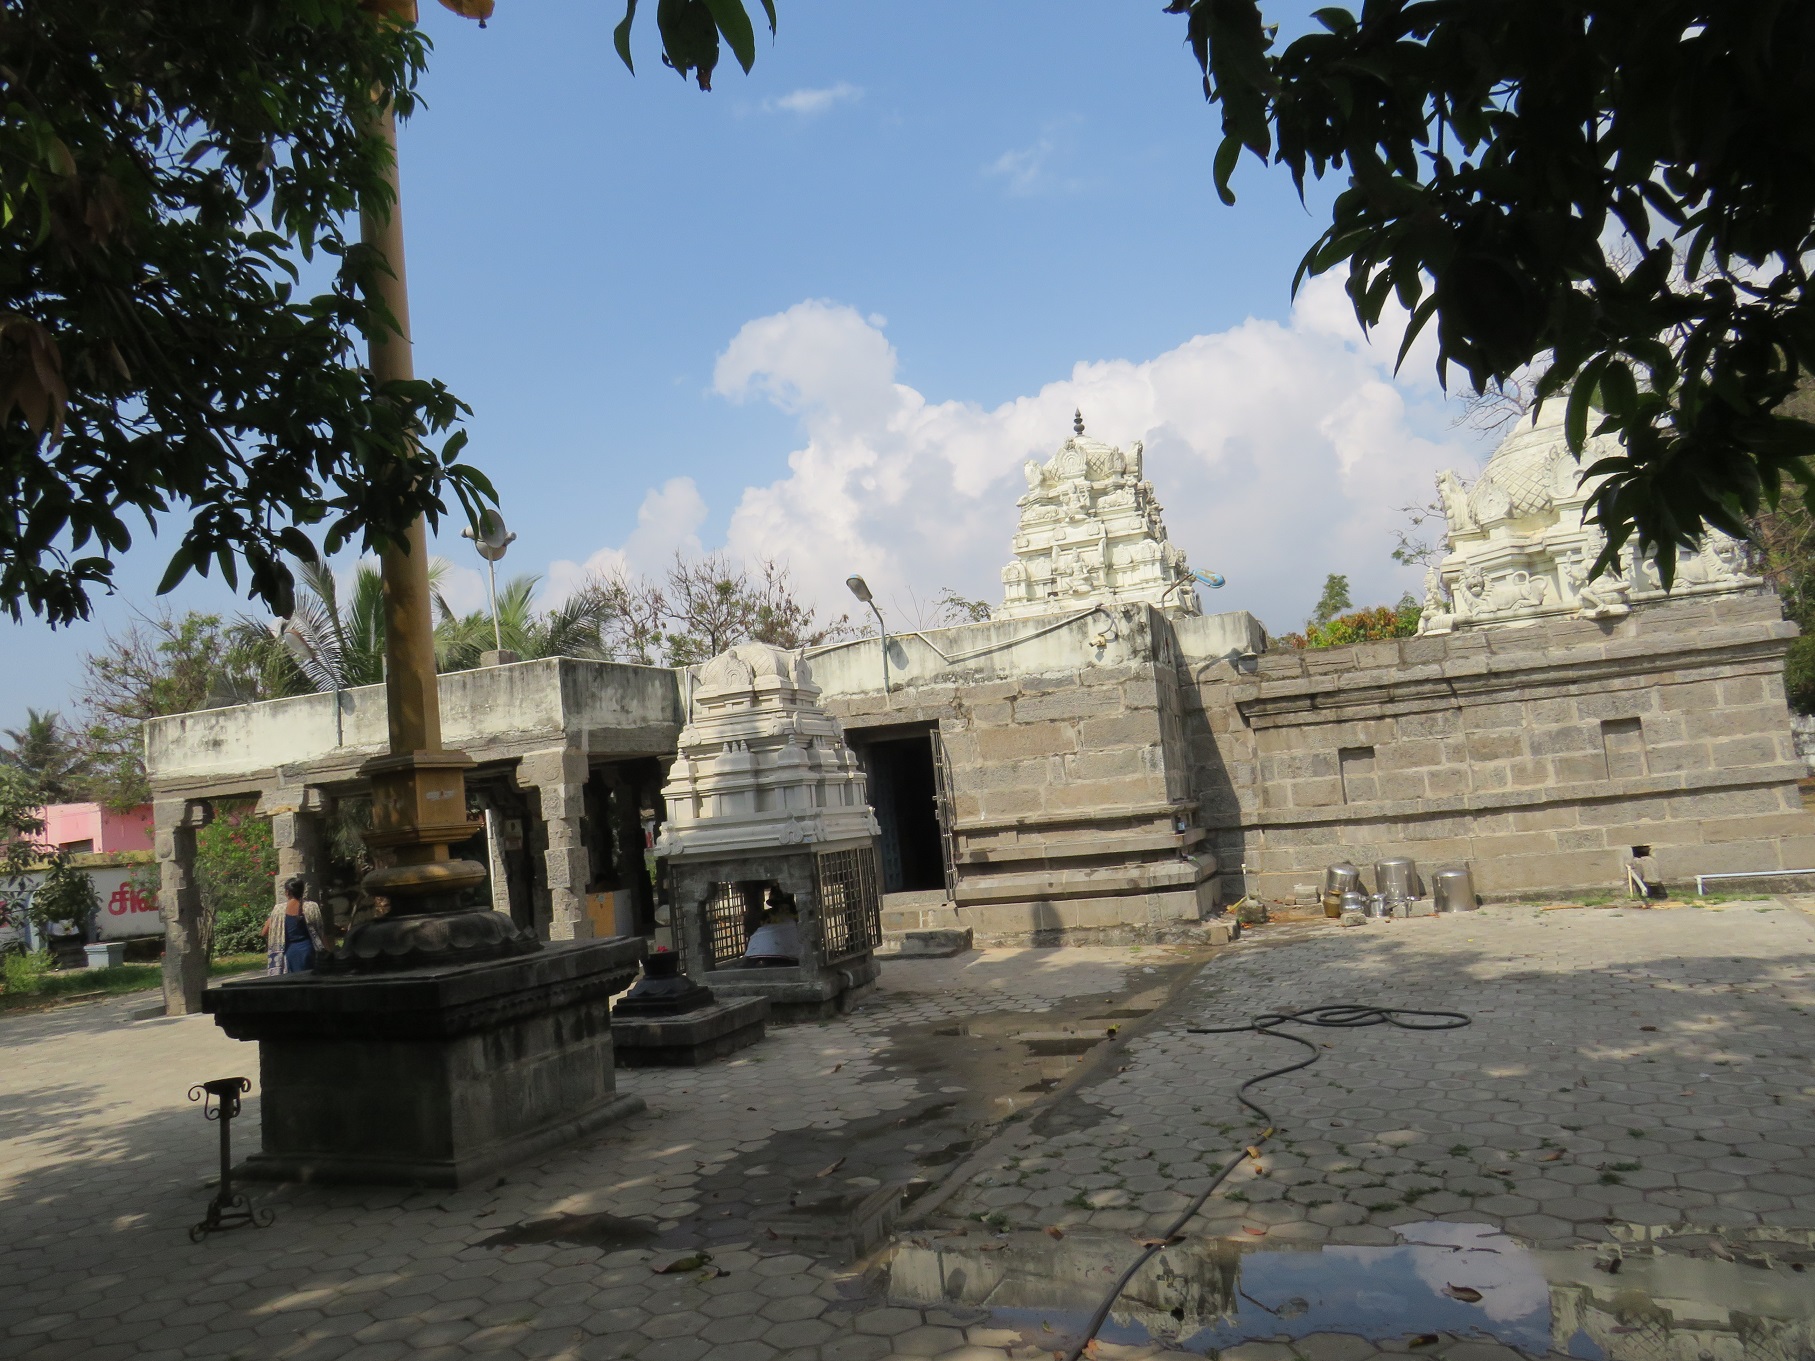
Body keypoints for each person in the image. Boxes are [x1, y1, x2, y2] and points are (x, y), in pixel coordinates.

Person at [262, 877, 327, 975]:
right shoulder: (311, 907)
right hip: (309, 951)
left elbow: (264, 932)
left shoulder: (278, 910)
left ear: (287, 892)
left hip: (290, 952)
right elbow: (320, 931)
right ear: (302, 891)